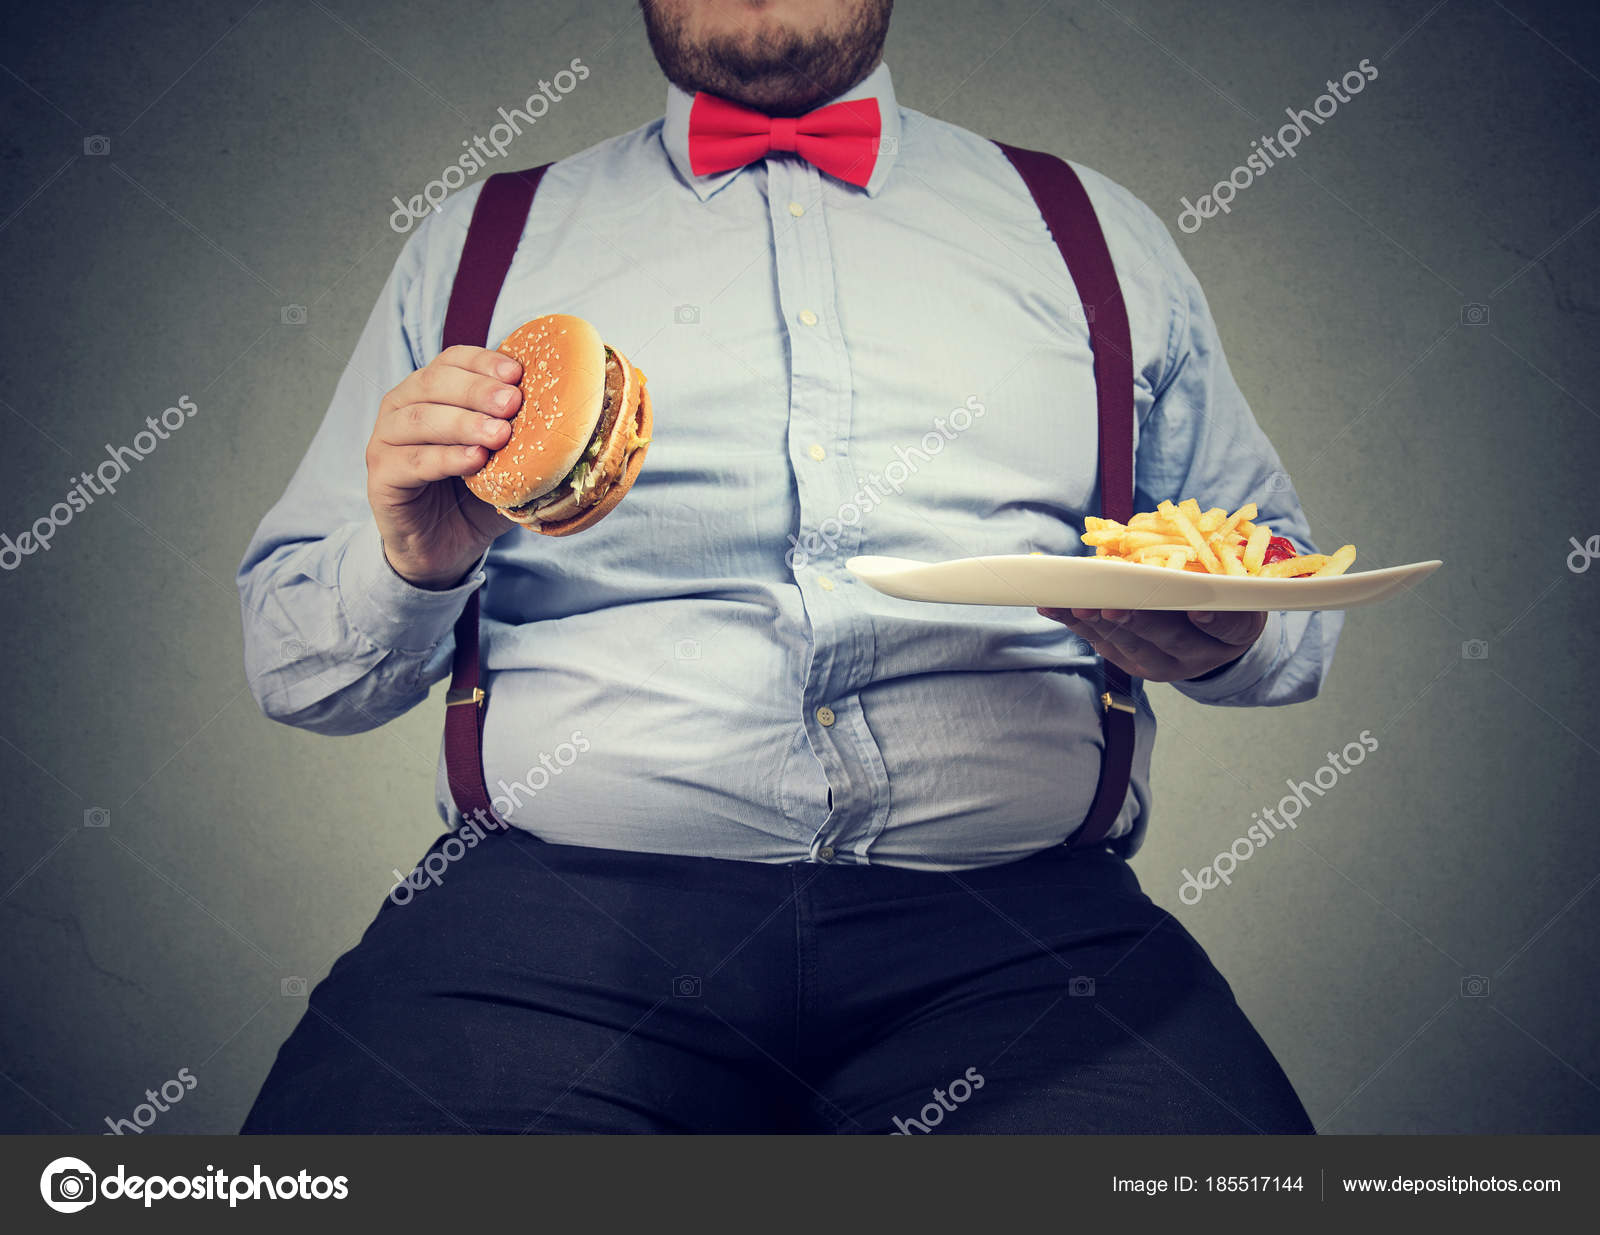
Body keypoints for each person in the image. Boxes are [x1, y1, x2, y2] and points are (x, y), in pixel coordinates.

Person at [238, 0, 1340, 1133]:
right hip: (548, 928)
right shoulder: (479, 240)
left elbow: (1291, 613)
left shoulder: (1094, 230)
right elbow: (298, 673)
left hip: (1024, 940)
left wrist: (1237, 625)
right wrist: (413, 564)